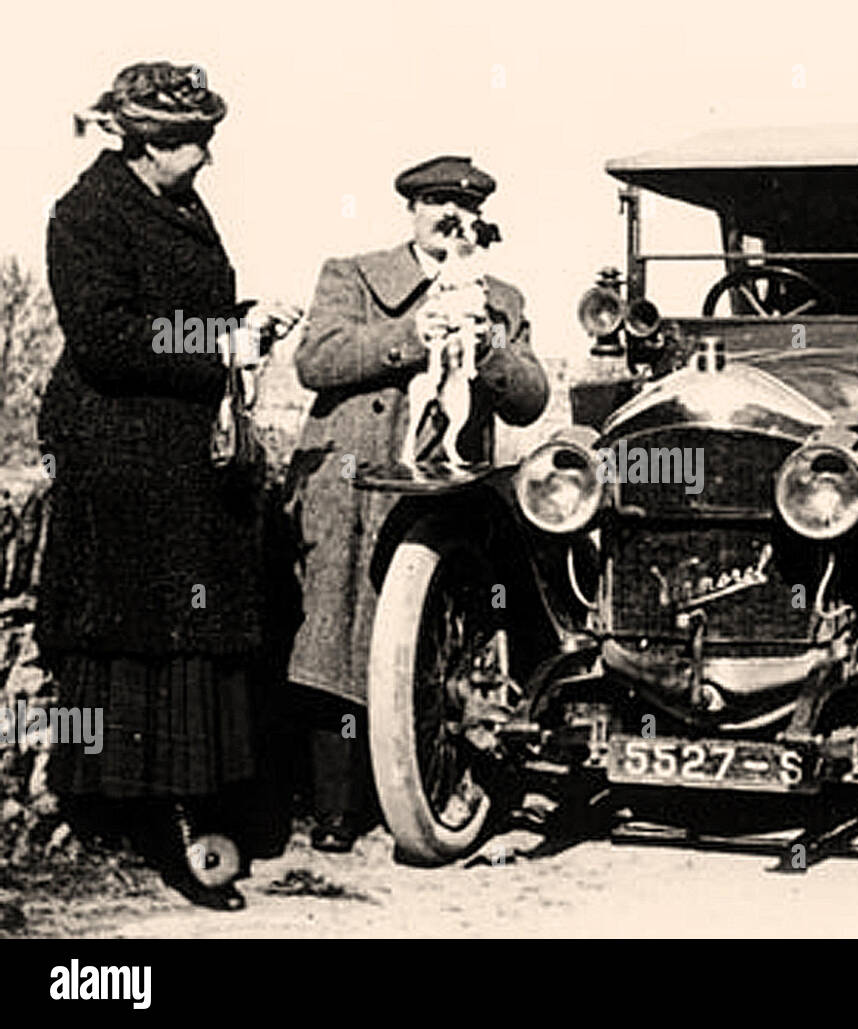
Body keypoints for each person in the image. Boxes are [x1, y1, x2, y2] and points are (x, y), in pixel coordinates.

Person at [39, 61, 301, 909]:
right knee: (150, 648)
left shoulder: (173, 202)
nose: (208, 156)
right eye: (196, 140)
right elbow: (107, 337)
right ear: (146, 140)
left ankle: (177, 815)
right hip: (125, 465)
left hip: (178, 460)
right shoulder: (86, 214)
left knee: (184, 643)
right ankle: (176, 830)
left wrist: (246, 322)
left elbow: (173, 314)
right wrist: (219, 342)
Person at [285, 155, 548, 852]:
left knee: (433, 641)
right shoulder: (353, 273)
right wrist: (410, 337)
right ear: (411, 210)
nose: (449, 219)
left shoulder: (503, 300)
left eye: (462, 210)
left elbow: (531, 398)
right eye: (435, 204)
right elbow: (317, 360)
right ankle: (337, 807)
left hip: (446, 492)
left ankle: (429, 791)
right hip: (354, 482)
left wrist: (488, 345)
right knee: (338, 634)